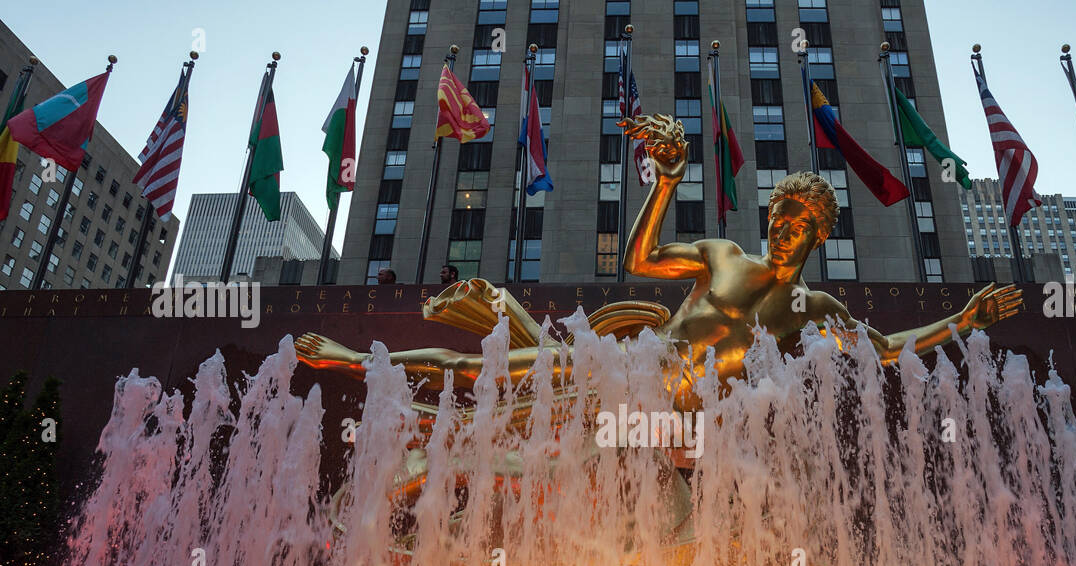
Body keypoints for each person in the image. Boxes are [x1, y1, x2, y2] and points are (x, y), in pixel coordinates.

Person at [296, 113, 1020, 410]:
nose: (791, 226)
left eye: (806, 221)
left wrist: (962, 318)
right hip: (637, 366)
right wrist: (668, 178)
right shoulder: (724, 254)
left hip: (696, 409)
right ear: (770, 217)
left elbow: (886, 349)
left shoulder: (818, 310)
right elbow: (641, 255)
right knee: (485, 367)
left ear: (822, 235)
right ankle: (347, 355)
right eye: (785, 214)